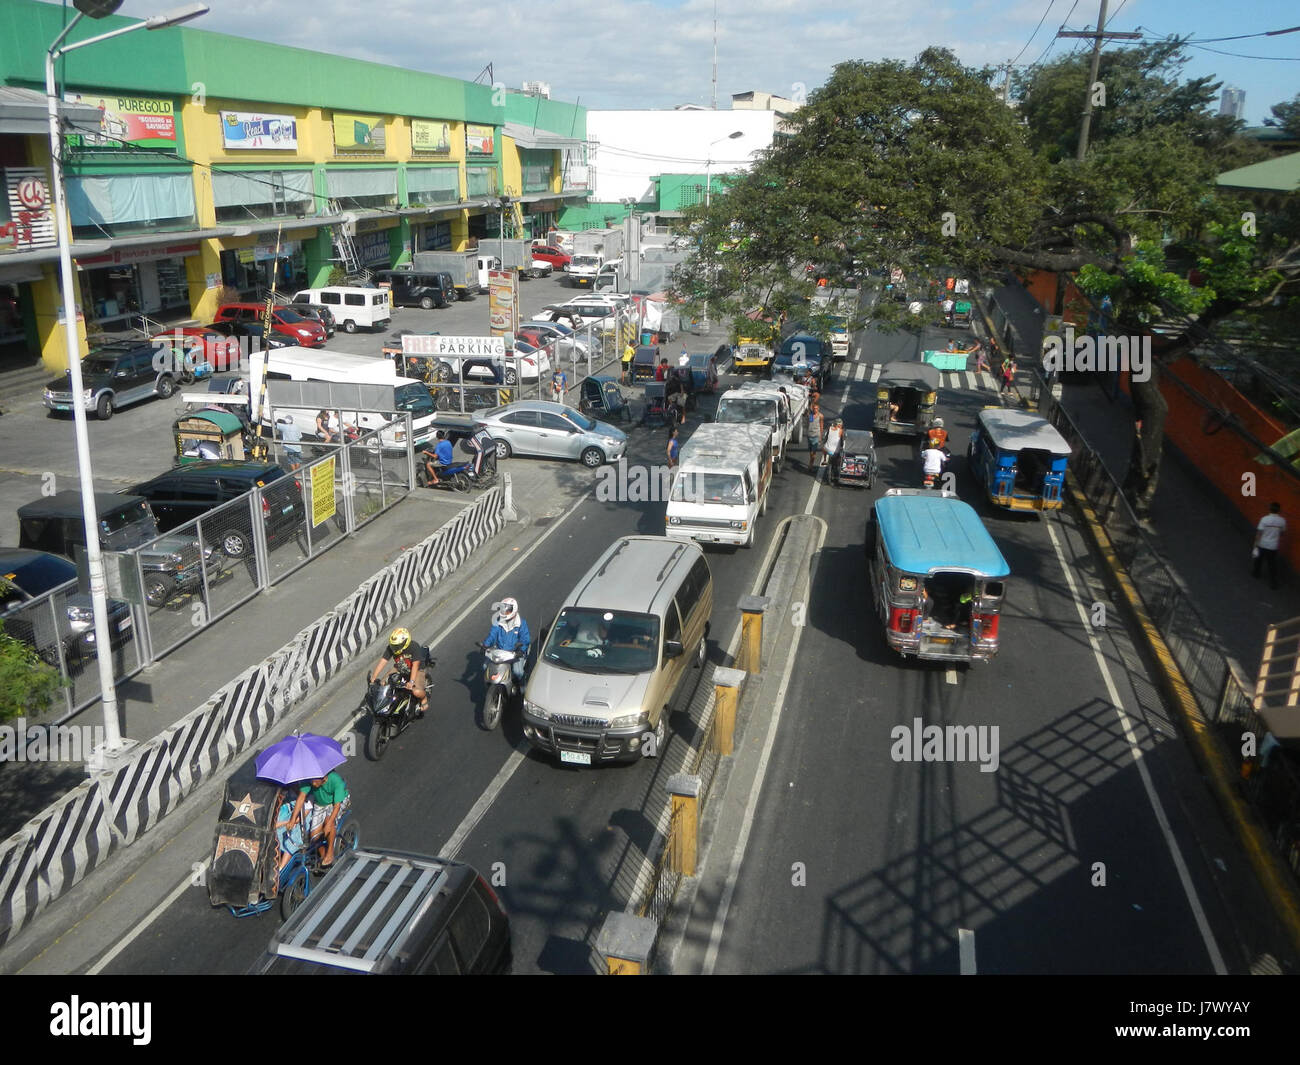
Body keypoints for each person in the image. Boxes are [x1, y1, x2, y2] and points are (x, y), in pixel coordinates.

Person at [290, 769, 349, 867]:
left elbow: (337, 806)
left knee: (328, 823)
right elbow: (301, 797)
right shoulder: (309, 780)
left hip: (335, 803)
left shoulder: (336, 780)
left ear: (324, 778)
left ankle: (330, 854)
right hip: (320, 804)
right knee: (314, 836)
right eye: (312, 781)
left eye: (315, 781)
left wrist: (329, 823)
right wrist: (292, 819)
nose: (313, 784)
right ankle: (323, 856)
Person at [370, 626, 431, 717]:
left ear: (405, 642)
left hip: (417, 671)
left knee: (416, 692)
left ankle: (424, 699)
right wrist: (374, 677)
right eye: (393, 646)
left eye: (397, 646)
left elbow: (415, 666)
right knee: (383, 683)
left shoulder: (414, 646)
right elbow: (383, 661)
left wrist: (411, 682)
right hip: (400, 667)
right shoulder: (391, 647)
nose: (395, 648)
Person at [482, 597, 530, 684]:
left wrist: (521, 650)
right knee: (485, 667)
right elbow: (492, 635)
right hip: (500, 651)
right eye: (503, 610)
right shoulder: (498, 621)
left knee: (518, 672)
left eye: (507, 611)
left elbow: (525, 639)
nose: (504, 612)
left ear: (514, 610)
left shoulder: (522, 623)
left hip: (514, 653)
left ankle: (522, 687)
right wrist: (485, 645)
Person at [1253, 502, 1287, 589]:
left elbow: (1259, 533)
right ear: (1279, 510)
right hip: (1273, 546)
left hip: (1263, 544)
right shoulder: (1282, 521)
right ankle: (1273, 583)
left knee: (1258, 560)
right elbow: (1282, 532)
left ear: (1269, 509)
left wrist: (1256, 545)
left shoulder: (1264, 519)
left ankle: (1256, 574)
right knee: (1272, 564)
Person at [274, 796, 304, 873]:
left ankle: (281, 869)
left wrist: (290, 822)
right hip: (287, 819)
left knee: (292, 837)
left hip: (299, 820)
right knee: (276, 835)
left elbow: (300, 818)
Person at [824, 418, 844, 486]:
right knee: (839, 462)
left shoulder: (829, 428)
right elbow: (842, 442)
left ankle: (825, 460)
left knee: (830, 459)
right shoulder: (841, 431)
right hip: (835, 452)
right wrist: (842, 446)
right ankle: (837, 476)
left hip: (827, 449)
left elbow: (826, 438)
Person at [807, 403, 825, 472]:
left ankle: (810, 465)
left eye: (817, 409)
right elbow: (809, 423)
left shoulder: (820, 416)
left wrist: (820, 436)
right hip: (809, 435)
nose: (815, 410)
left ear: (819, 409)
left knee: (813, 452)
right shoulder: (810, 415)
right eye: (814, 408)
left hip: (816, 436)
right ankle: (811, 462)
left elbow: (821, 426)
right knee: (810, 452)